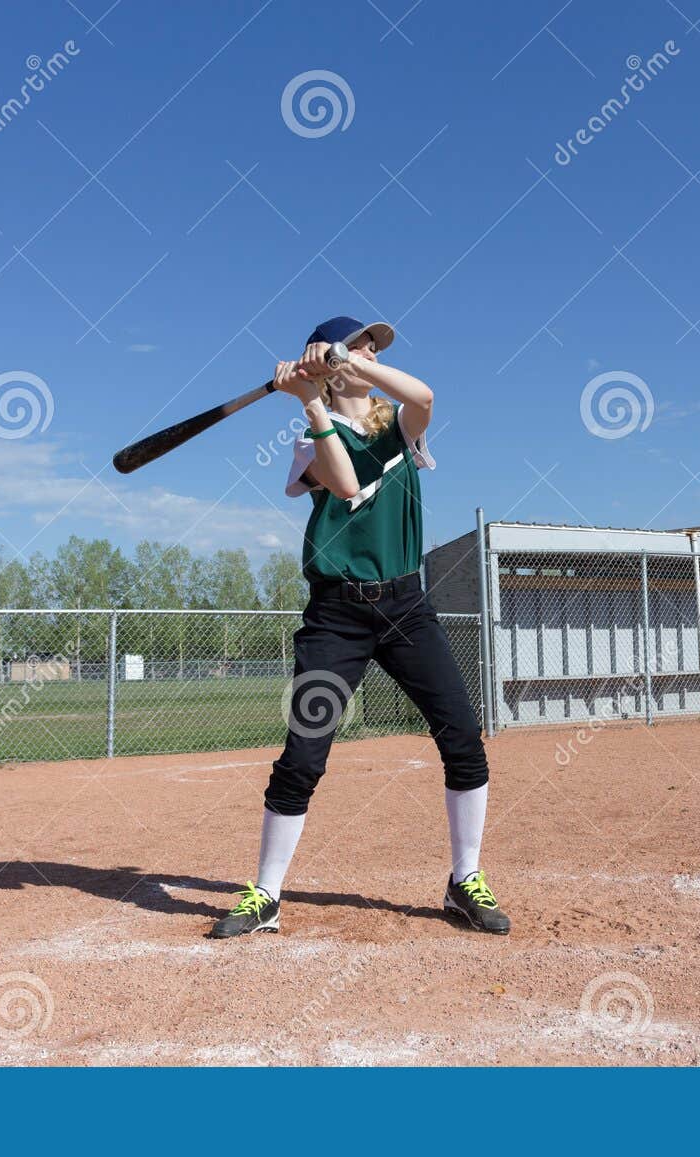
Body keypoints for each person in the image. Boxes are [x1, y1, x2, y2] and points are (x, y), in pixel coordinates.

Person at [208, 316, 509, 938]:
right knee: (303, 753)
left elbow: (423, 397)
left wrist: (351, 363)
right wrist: (312, 400)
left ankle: (464, 881)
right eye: (359, 342)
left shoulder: (399, 426)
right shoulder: (309, 443)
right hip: (336, 616)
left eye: (373, 346)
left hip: (406, 607)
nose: (369, 351)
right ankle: (265, 894)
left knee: (461, 734)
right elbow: (345, 484)